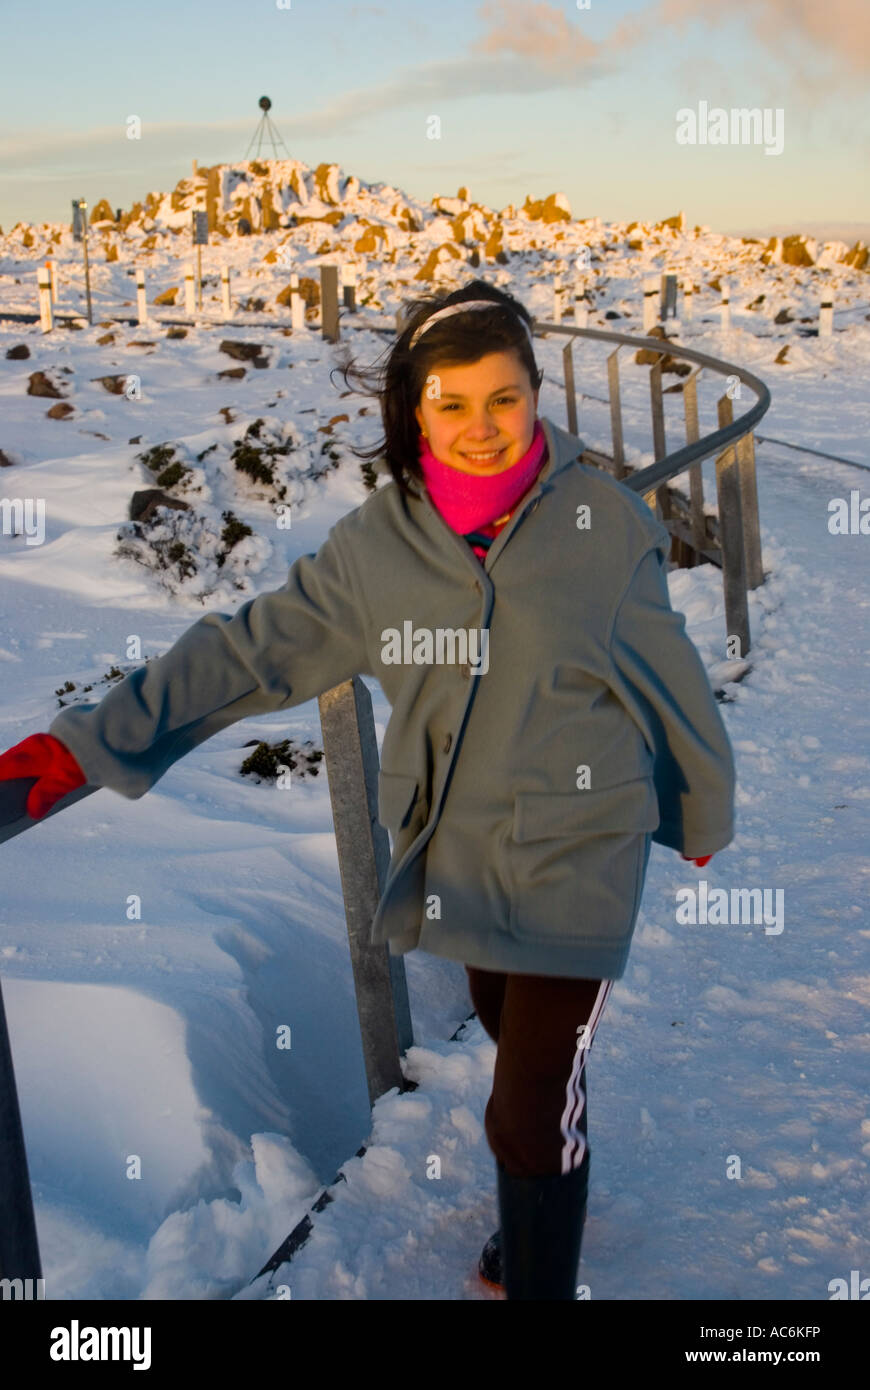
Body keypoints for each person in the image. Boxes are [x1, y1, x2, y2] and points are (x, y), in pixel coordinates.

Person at [0, 279, 734, 1301]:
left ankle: (537, 1268)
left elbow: (669, 674)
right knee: (515, 1051)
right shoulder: (376, 554)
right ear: (412, 409)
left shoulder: (602, 525)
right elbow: (250, 651)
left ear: (536, 396)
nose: (483, 428)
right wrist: (93, 742)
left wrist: (702, 804)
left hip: (582, 851)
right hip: (460, 861)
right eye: (452, 402)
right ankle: (540, 1192)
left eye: (506, 398)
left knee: (525, 1104)